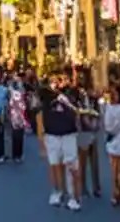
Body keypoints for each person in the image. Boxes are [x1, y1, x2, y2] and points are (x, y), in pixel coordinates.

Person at [36, 74, 83, 211]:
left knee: (72, 165)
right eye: (54, 81)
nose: (57, 83)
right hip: (52, 134)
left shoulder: (72, 93)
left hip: (69, 134)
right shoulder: (46, 94)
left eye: (61, 80)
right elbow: (38, 97)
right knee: (54, 164)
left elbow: (77, 107)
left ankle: (74, 196)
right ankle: (57, 191)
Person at [75, 82, 103, 198]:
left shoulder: (95, 101)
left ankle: (96, 187)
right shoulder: (80, 101)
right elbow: (79, 116)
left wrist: (96, 126)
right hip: (83, 133)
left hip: (93, 133)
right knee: (82, 163)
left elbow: (99, 115)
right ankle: (83, 187)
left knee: (94, 162)